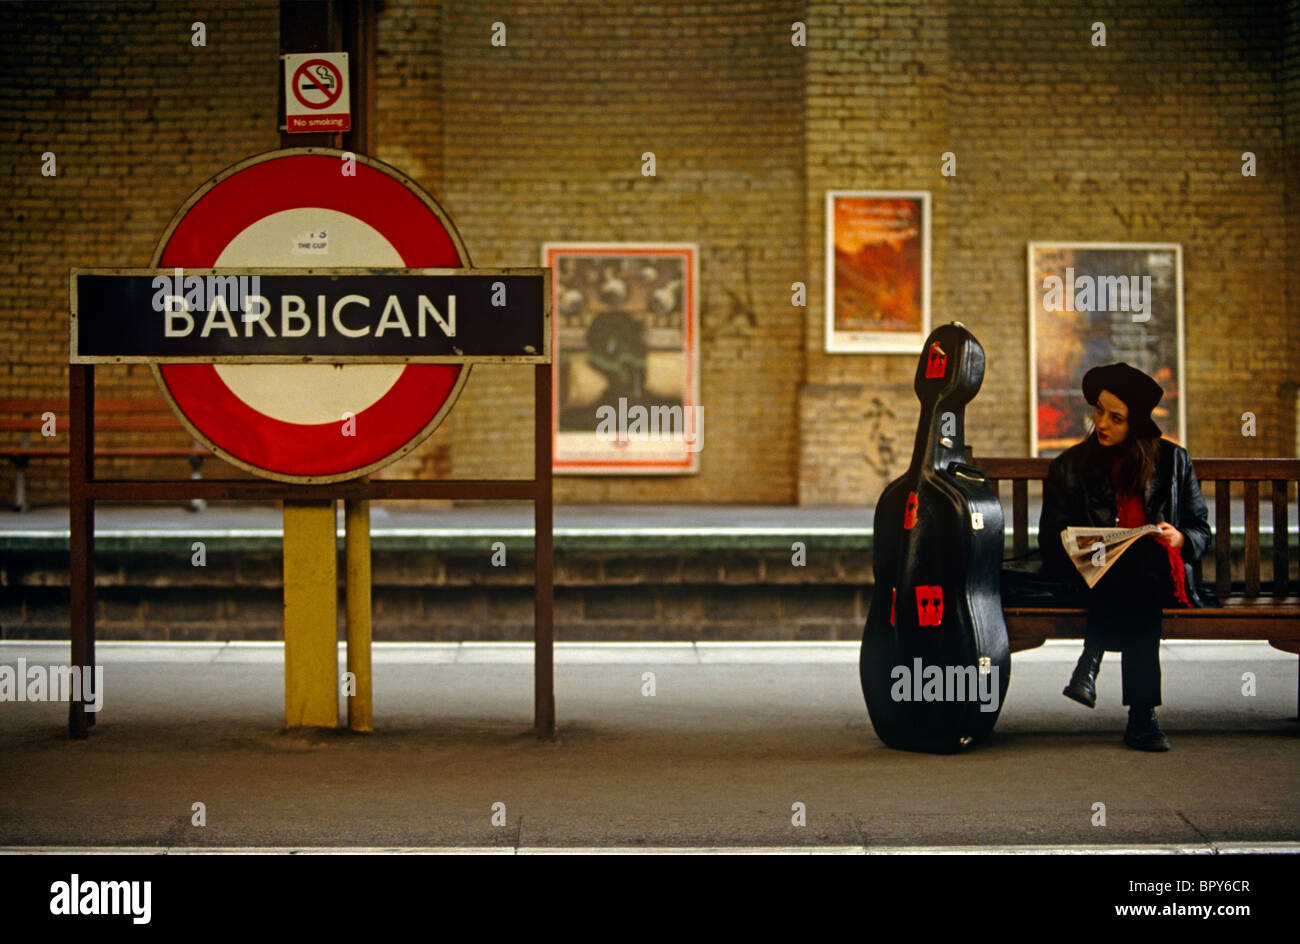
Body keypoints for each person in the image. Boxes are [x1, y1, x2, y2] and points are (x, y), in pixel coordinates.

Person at [1038, 363, 1211, 751]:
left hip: (1157, 575)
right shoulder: (1071, 465)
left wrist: (1179, 537)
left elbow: (1201, 531)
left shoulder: (1173, 461)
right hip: (1093, 578)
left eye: (1116, 418)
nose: (1102, 423)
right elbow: (1051, 539)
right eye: (1099, 410)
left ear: (1136, 423)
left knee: (1143, 558)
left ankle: (1090, 659)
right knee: (1133, 571)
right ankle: (1142, 718)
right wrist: (1086, 546)